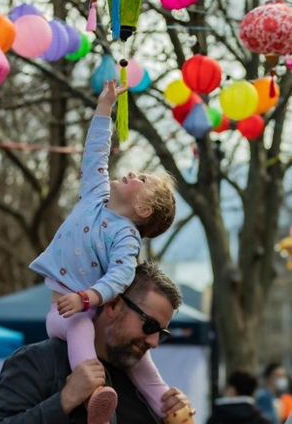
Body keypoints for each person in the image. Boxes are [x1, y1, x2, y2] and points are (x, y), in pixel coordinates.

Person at [27, 80, 178, 423]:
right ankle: (95, 396)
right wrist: (104, 107)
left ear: (143, 209)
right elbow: (95, 153)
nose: (131, 172)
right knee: (83, 329)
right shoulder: (94, 195)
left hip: (82, 309)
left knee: (141, 362)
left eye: (142, 179)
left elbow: (121, 276)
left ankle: (165, 406)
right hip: (66, 314)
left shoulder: (126, 237)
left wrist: (87, 298)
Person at [0, 261, 195, 424]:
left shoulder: (144, 386)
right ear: (113, 305)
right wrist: (65, 400)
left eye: (161, 333)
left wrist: (171, 415)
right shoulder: (39, 362)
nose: (154, 342)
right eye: (149, 325)